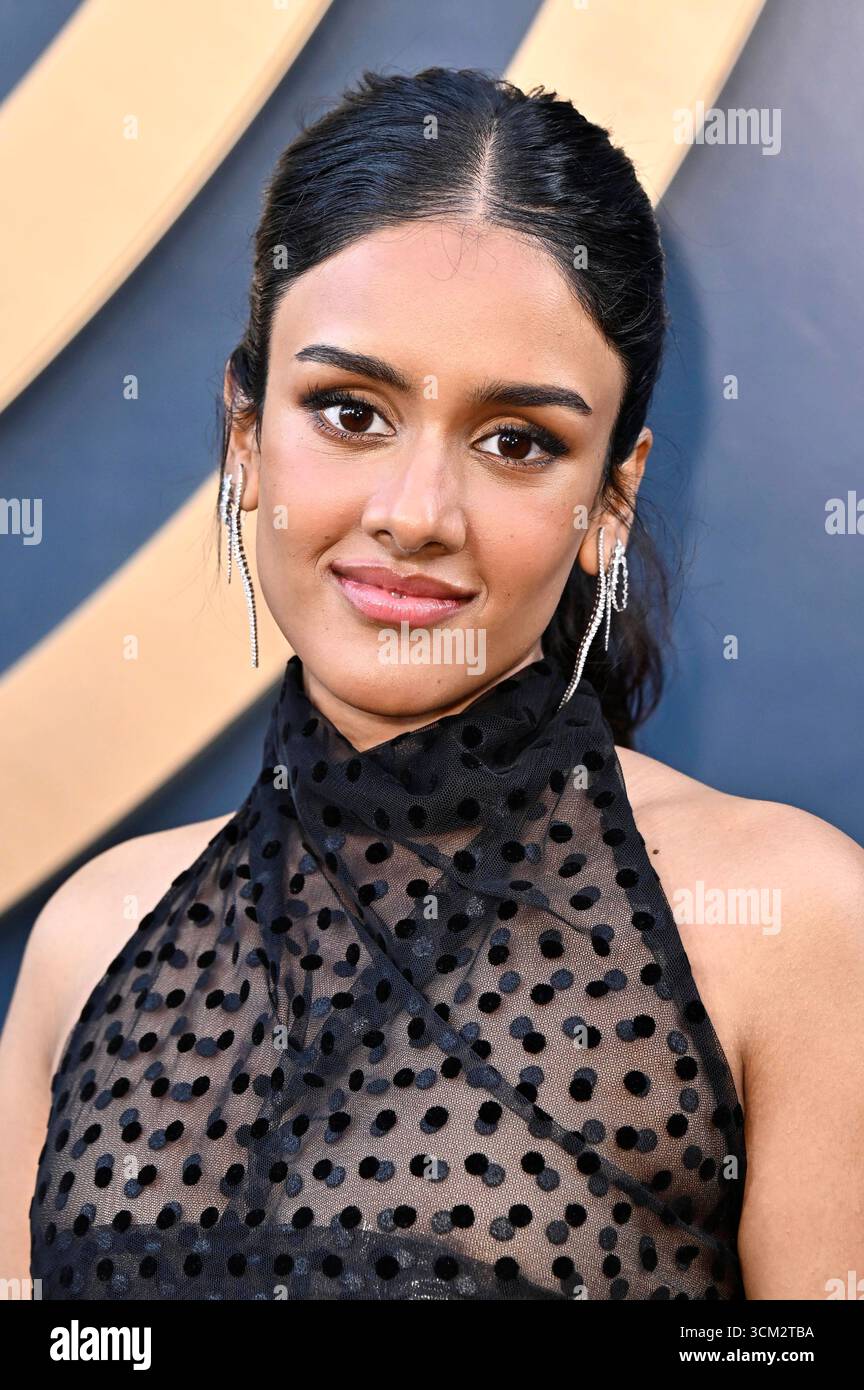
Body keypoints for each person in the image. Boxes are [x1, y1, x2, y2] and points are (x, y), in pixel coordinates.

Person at [2, 68, 862, 1301]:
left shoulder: (791, 924)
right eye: (348, 411)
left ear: (609, 501)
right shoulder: (88, 946)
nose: (414, 514)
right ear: (247, 437)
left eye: (517, 442)